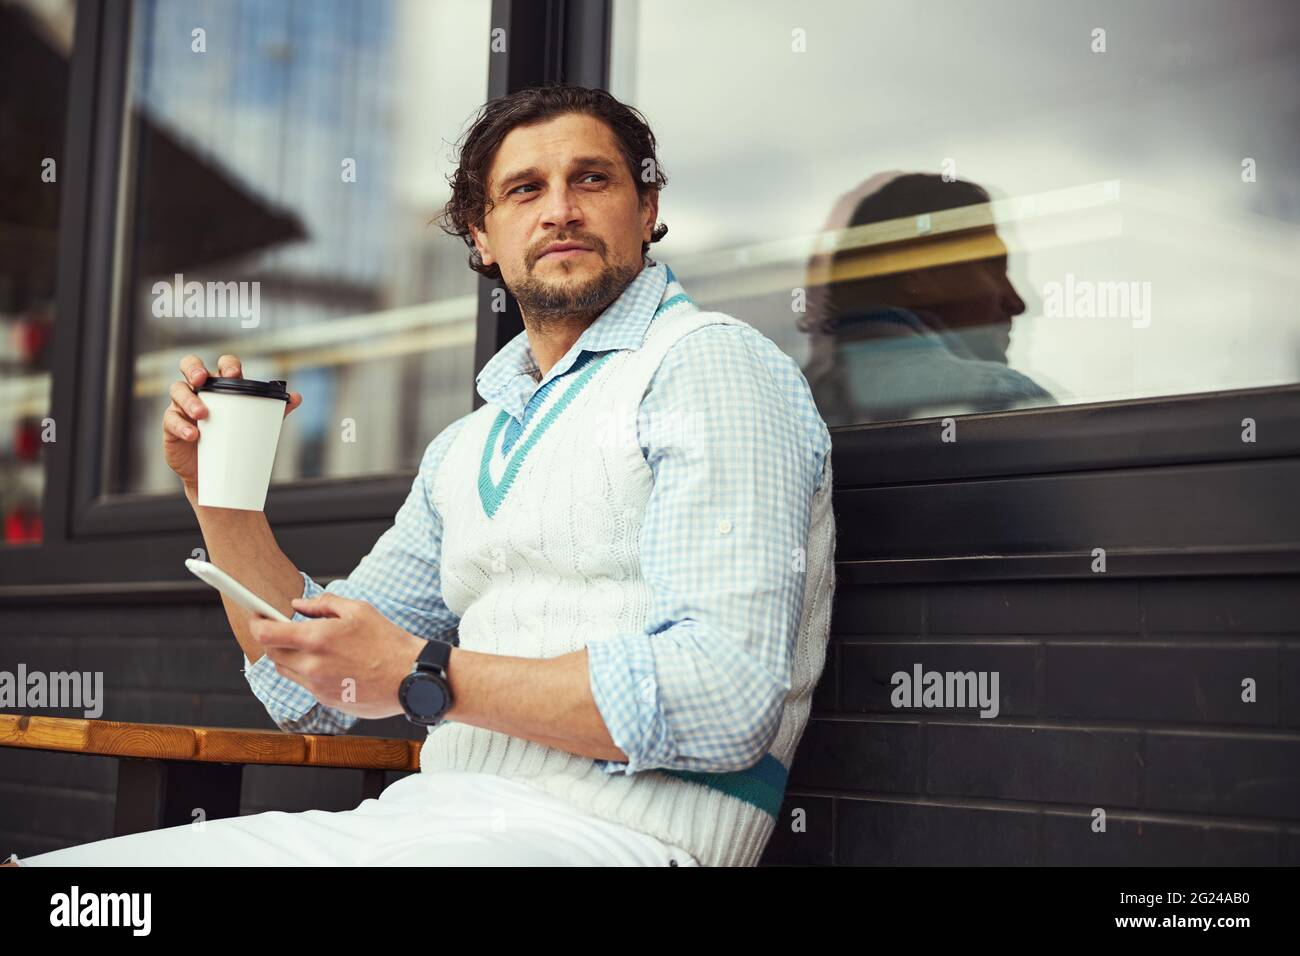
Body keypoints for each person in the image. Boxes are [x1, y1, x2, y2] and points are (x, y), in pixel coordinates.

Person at [5, 84, 835, 867]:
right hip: (429, 821)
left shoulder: (711, 367)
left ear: (647, 209)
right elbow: (315, 689)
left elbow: (724, 698)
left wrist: (422, 670)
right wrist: (216, 494)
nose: (560, 209)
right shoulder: (467, 446)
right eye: (523, 190)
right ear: (481, 235)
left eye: (592, 179)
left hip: (614, 839)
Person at [801, 172, 1056, 425]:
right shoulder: (999, 396)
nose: (1017, 302)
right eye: (990, 265)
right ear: (917, 271)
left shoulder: (794, 405)